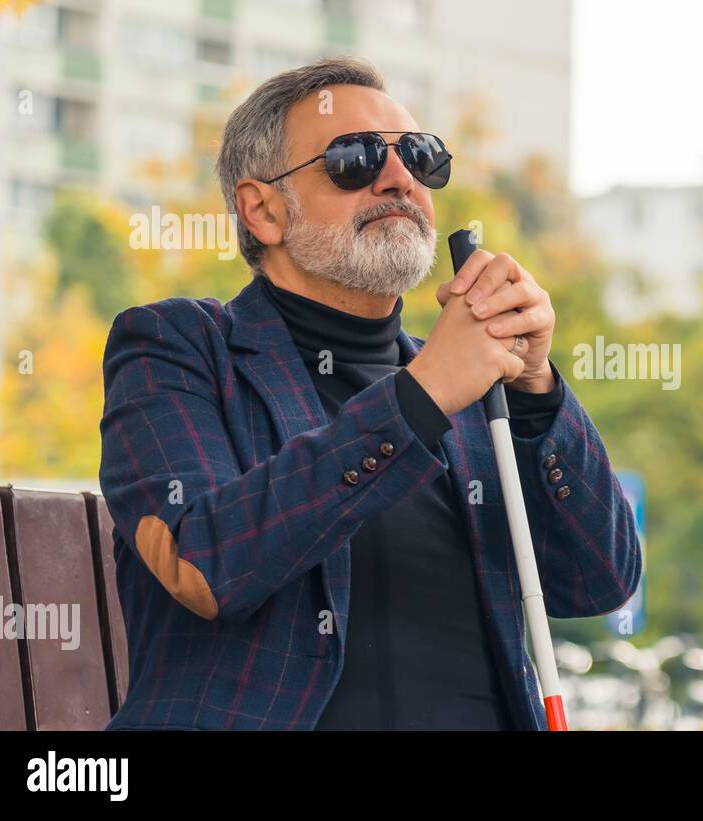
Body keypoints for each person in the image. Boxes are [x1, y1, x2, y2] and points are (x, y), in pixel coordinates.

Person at [97, 57, 641, 730]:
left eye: (419, 154)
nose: (399, 178)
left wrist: (536, 390)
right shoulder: (175, 345)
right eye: (354, 158)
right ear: (263, 209)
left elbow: (598, 580)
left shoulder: (472, 384)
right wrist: (421, 395)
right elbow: (201, 562)